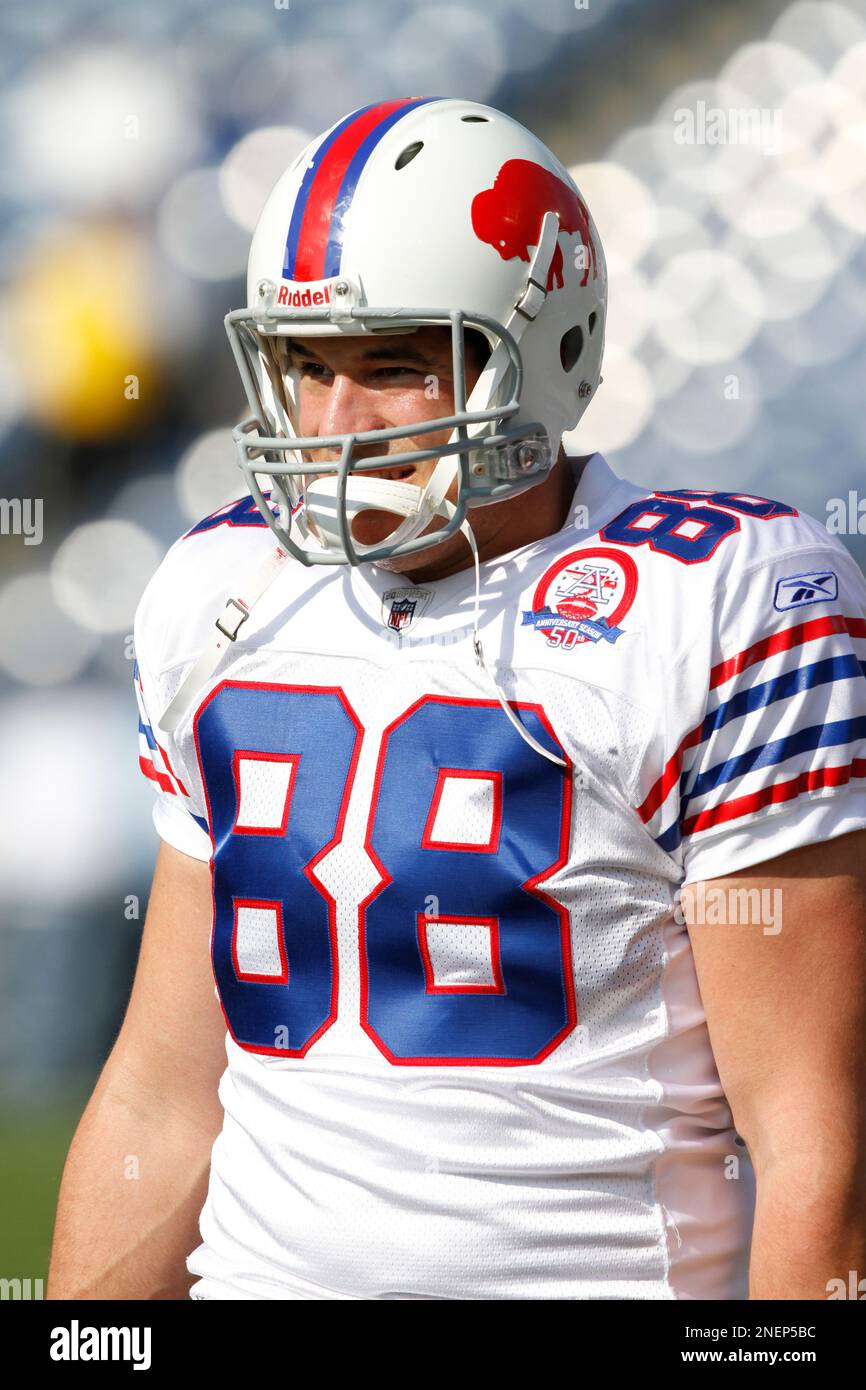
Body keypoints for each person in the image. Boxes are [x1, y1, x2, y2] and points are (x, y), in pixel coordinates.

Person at [48, 96, 866, 1302]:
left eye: (389, 366)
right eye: (305, 365)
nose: (334, 425)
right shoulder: (219, 592)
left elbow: (815, 1145)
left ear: (541, 354)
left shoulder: (719, 596)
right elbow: (166, 1096)